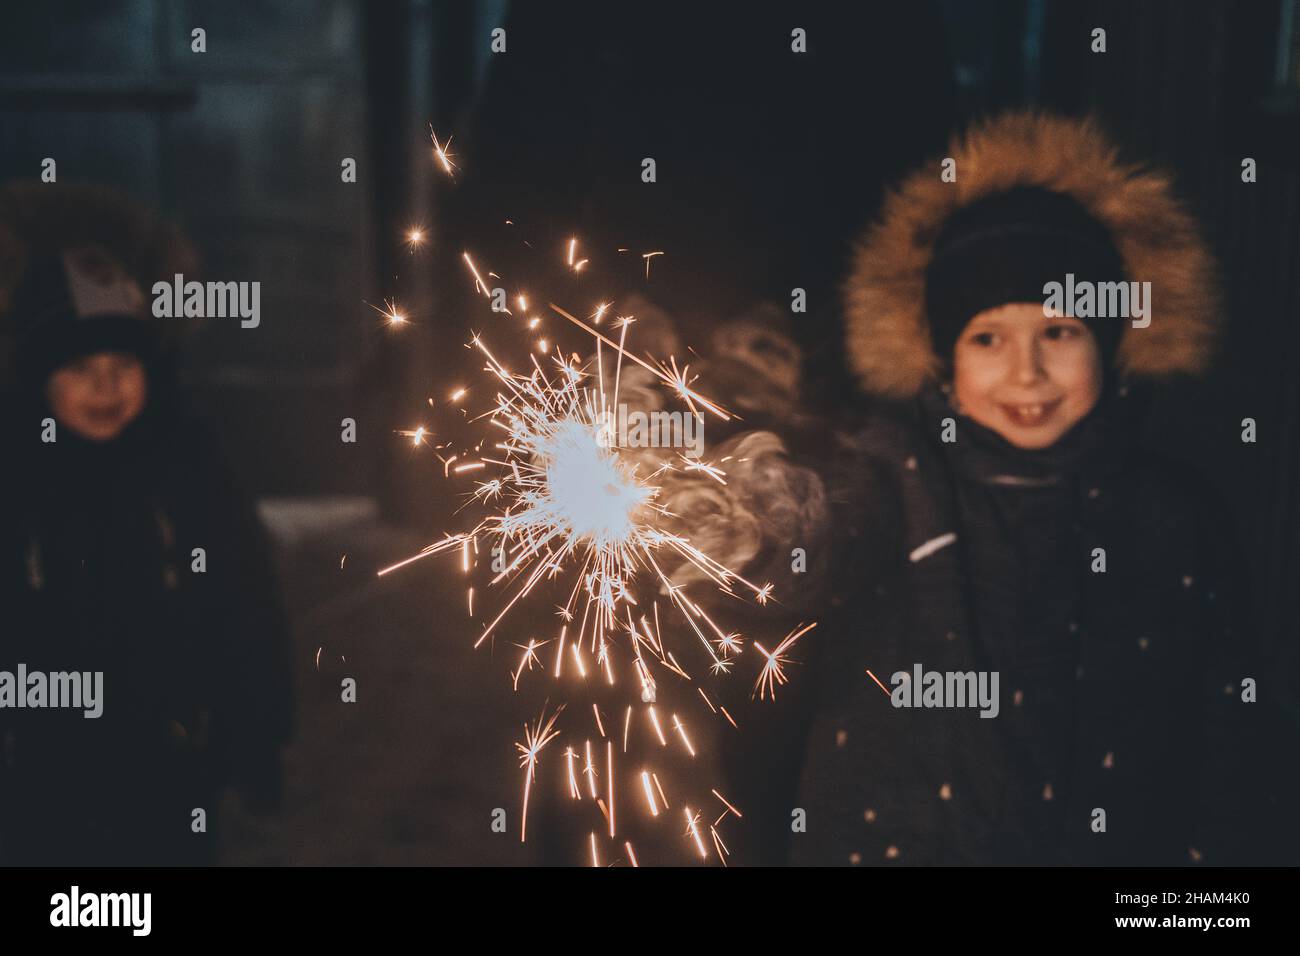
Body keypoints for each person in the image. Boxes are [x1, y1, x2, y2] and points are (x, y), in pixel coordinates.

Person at [789, 111, 1280, 865]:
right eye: (987, 338)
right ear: (942, 359)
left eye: (1060, 331)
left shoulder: (1175, 519)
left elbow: (1232, 756)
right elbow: (794, 549)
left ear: (1113, 344)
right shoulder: (883, 486)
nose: (1027, 373)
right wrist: (742, 524)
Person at [0, 183, 292, 865]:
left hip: (170, 753)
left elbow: (244, 596)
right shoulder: (18, 474)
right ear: (39, 379)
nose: (107, 386)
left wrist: (256, 733)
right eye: (80, 368)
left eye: (123, 365)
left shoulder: (184, 460)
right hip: (38, 767)